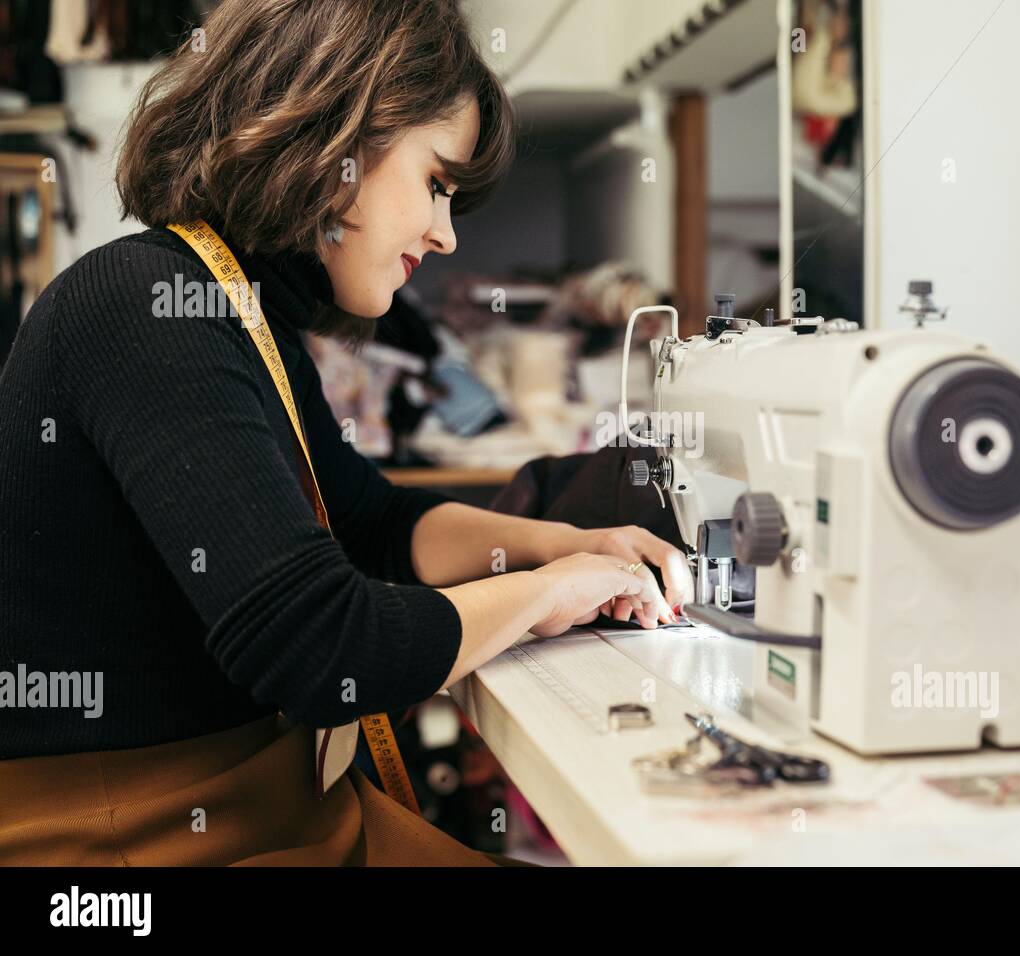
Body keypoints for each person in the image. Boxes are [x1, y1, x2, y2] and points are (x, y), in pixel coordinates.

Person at [0, 0, 690, 866]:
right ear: (335, 139)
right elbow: (319, 645)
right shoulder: (143, 306)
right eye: (436, 183)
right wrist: (550, 594)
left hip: (260, 807)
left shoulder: (243, 318)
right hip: (123, 849)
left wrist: (564, 545)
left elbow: (374, 527)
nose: (444, 233)